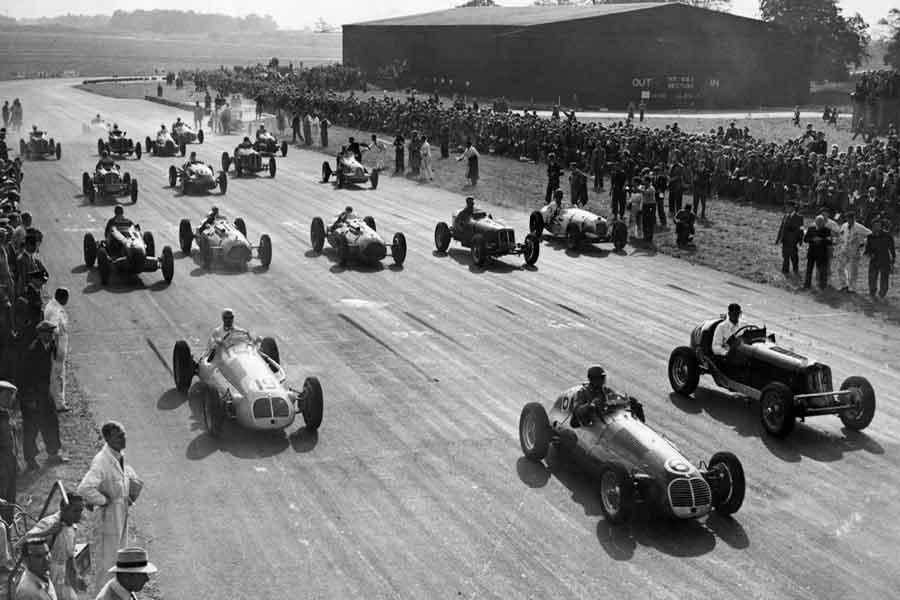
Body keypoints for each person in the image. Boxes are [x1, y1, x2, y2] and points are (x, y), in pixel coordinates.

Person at [77, 421, 142, 591]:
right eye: (118, 436)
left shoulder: (118, 456)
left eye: (124, 434)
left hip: (121, 514)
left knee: (120, 560)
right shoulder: (101, 461)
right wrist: (103, 501)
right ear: (107, 438)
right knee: (107, 565)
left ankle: (117, 594)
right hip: (108, 519)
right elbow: (84, 488)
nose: (123, 438)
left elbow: (121, 480)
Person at [19, 320, 67, 471]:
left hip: (45, 392)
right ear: (40, 334)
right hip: (31, 395)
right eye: (48, 333)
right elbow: (25, 377)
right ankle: (30, 460)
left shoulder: (50, 346)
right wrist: (30, 399)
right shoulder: (33, 351)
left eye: (52, 332)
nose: (51, 335)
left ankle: (53, 453)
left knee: (51, 422)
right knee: (31, 429)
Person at [25, 492, 87, 600]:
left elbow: (70, 556)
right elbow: (25, 540)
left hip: (63, 577)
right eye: (75, 511)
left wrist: (76, 575)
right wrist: (46, 532)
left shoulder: (73, 528)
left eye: (81, 510)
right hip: (45, 575)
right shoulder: (49, 523)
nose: (79, 515)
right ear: (63, 509)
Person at [42, 289, 69, 412]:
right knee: (58, 376)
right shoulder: (56, 311)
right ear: (63, 298)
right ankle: (58, 403)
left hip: (57, 347)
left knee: (55, 375)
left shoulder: (52, 305)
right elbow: (54, 331)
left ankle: (55, 400)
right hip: (57, 348)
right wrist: (56, 350)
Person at [836, 211, 871, 293]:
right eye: (848, 218)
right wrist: (840, 243)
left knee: (853, 271)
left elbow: (870, 234)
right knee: (840, 268)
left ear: (854, 219)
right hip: (844, 250)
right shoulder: (844, 225)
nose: (849, 220)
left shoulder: (859, 227)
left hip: (854, 252)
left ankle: (852, 288)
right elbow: (841, 234)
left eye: (851, 219)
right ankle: (844, 285)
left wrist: (863, 243)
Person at [0, 381, 18, 523]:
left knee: (9, 501)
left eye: (11, 396)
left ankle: (7, 534)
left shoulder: (6, 415)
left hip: (9, 462)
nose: (11, 399)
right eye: (7, 395)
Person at [864, 220, 896, 300]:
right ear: (872, 227)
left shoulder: (888, 236)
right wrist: (870, 254)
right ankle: (872, 293)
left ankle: (882, 294)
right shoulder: (870, 236)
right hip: (874, 260)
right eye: (875, 226)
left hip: (885, 260)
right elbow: (867, 250)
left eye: (878, 226)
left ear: (881, 226)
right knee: (872, 278)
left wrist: (893, 261)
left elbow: (892, 249)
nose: (877, 227)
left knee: (884, 278)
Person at [803, 215, 833, 290]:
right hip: (812, 253)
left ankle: (822, 286)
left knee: (822, 271)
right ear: (815, 222)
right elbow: (805, 239)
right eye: (818, 222)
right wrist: (813, 239)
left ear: (823, 223)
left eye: (821, 222)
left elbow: (829, 242)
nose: (819, 223)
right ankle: (807, 285)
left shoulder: (827, 230)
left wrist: (821, 240)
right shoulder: (811, 229)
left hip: (822, 254)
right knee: (809, 270)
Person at [775, 201, 804, 274]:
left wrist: (800, 240)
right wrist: (778, 239)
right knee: (785, 256)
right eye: (786, 207)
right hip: (785, 240)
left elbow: (801, 229)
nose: (786, 209)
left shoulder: (799, 217)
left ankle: (795, 269)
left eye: (788, 207)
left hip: (793, 241)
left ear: (792, 208)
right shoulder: (785, 216)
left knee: (794, 257)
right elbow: (781, 228)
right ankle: (785, 271)